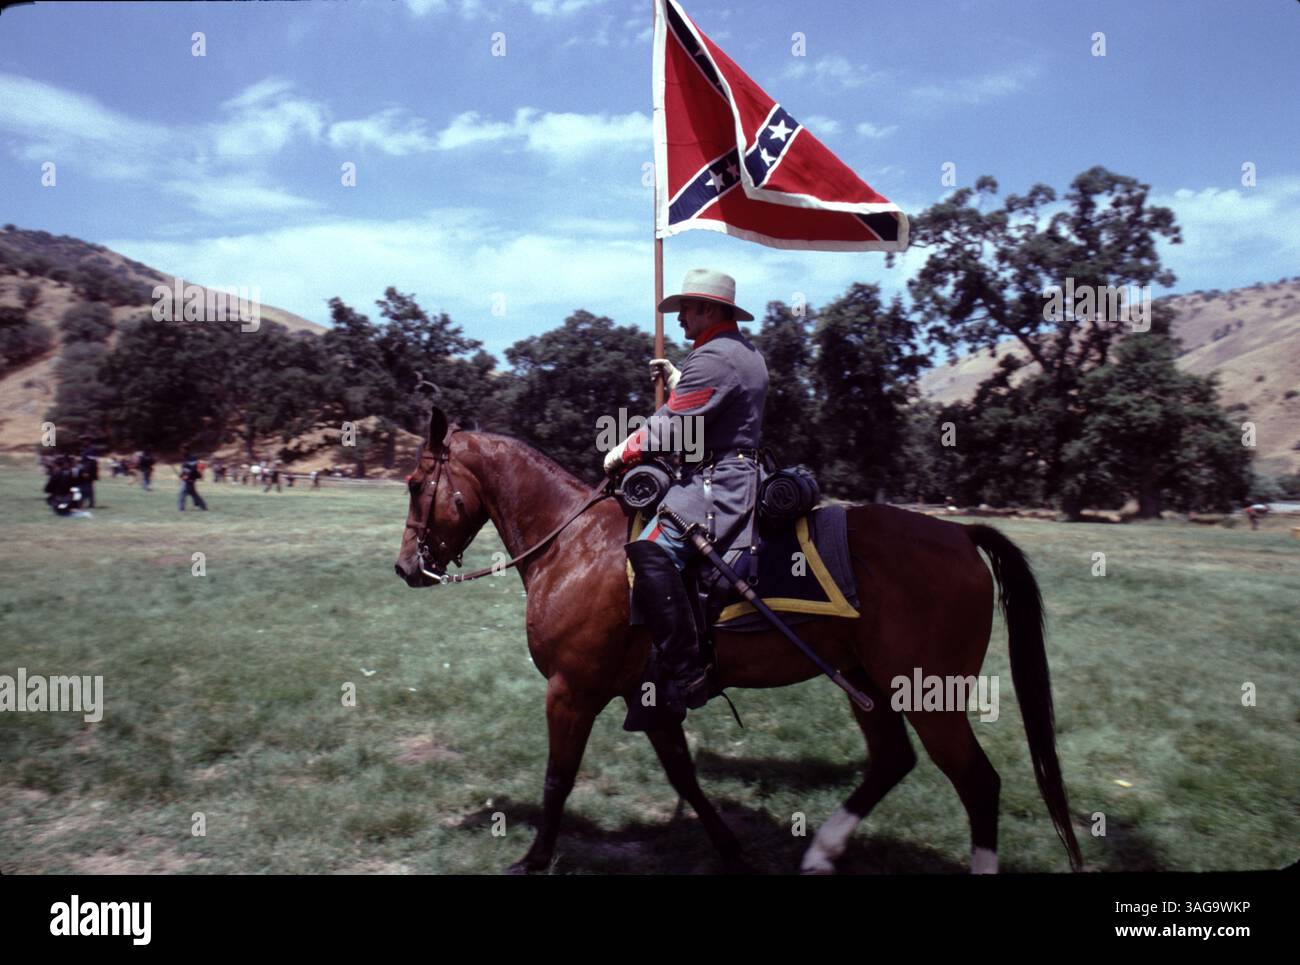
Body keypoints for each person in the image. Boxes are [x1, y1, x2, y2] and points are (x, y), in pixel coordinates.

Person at [601, 268, 768, 731]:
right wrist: (679, 378)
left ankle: (687, 675)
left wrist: (623, 448)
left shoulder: (714, 358)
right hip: (732, 469)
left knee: (652, 546)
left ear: (711, 310)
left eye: (687, 310)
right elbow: (710, 407)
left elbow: (675, 426)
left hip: (719, 482)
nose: (678, 320)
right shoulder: (739, 352)